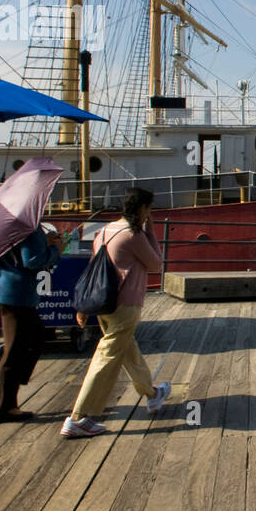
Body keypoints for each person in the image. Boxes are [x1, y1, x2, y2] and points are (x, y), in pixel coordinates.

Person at [61, 187, 170, 437]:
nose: (149, 214)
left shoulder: (105, 231)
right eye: (148, 209)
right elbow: (156, 263)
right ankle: (78, 417)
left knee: (127, 352)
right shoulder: (133, 234)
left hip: (103, 304)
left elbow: (93, 269)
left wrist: (82, 307)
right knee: (107, 357)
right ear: (143, 208)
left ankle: (153, 394)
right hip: (126, 305)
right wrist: (151, 230)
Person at [0, 225, 64, 423]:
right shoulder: (29, 227)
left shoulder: (5, 225)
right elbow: (32, 260)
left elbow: (17, 251)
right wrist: (55, 251)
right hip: (16, 295)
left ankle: (0, 388)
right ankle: (5, 407)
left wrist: (42, 243)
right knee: (16, 350)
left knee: (35, 338)